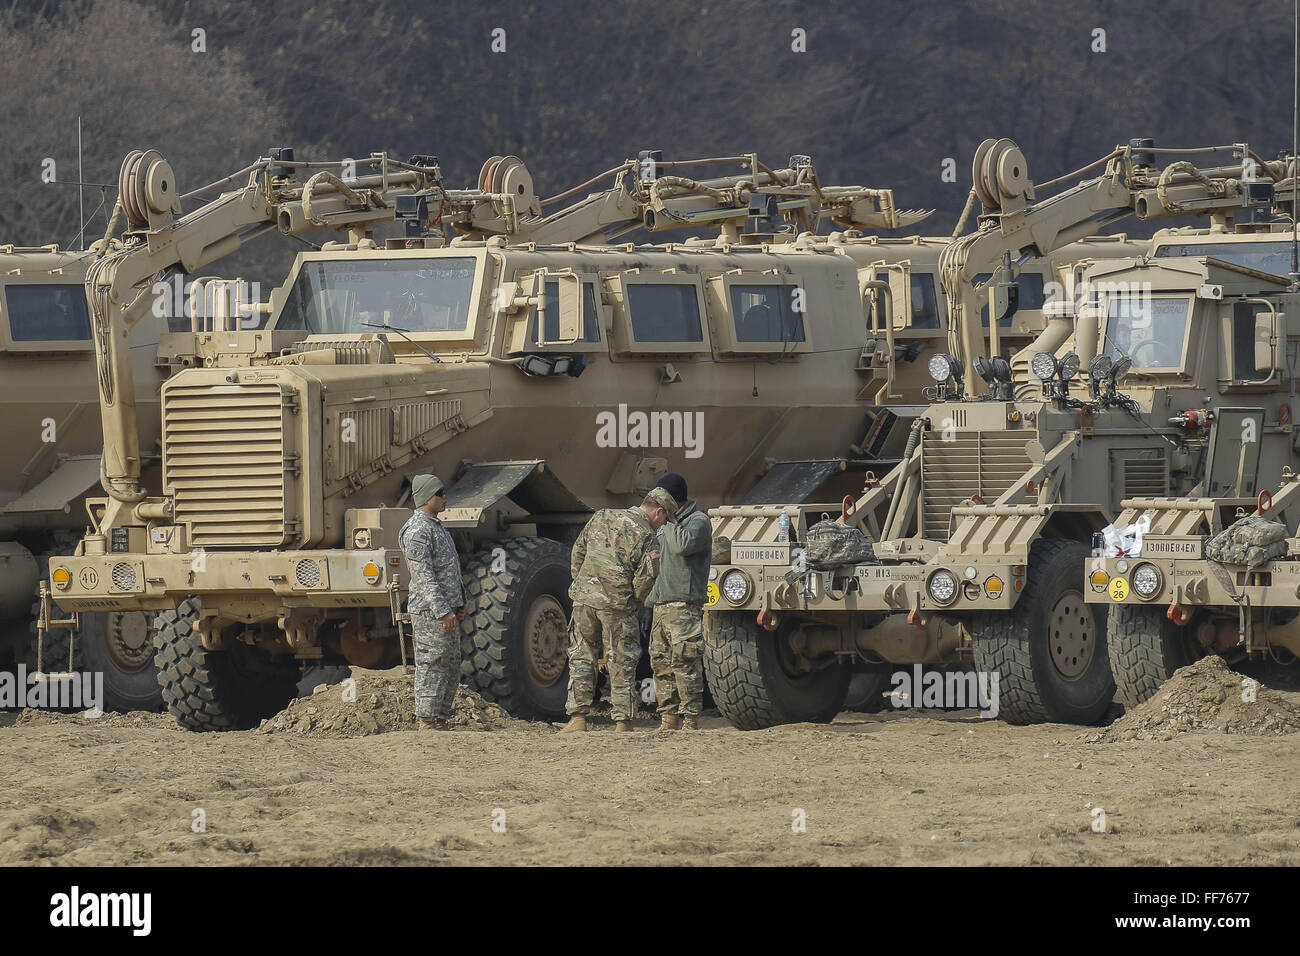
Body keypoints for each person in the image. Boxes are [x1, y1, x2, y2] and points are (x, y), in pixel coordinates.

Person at [559, 487, 675, 733]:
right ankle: (623, 722)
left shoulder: (602, 516)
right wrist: (633, 600)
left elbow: (578, 551)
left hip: (584, 599)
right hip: (618, 605)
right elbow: (646, 579)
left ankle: (578, 718)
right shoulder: (648, 536)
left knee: (581, 655)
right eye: (666, 518)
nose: (664, 524)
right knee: (621, 659)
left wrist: (582, 584)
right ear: (659, 512)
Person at [398, 473, 466, 730]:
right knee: (432, 662)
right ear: (426, 498)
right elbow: (423, 577)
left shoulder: (436, 527)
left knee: (450, 662)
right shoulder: (417, 531)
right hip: (430, 613)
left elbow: (450, 569)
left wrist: (459, 604)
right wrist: (441, 611)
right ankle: (427, 720)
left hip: (447, 611)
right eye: (439, 493)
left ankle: (440, 718)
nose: (444, 497)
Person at [646, 473, 711, 730]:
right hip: (660, 605)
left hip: (684, 606)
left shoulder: (698, 521)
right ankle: (668, 718)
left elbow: (682, 546)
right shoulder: (664, 525)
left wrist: (668, 521)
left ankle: (691, 719)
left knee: (685, 663)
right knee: (661, 664)